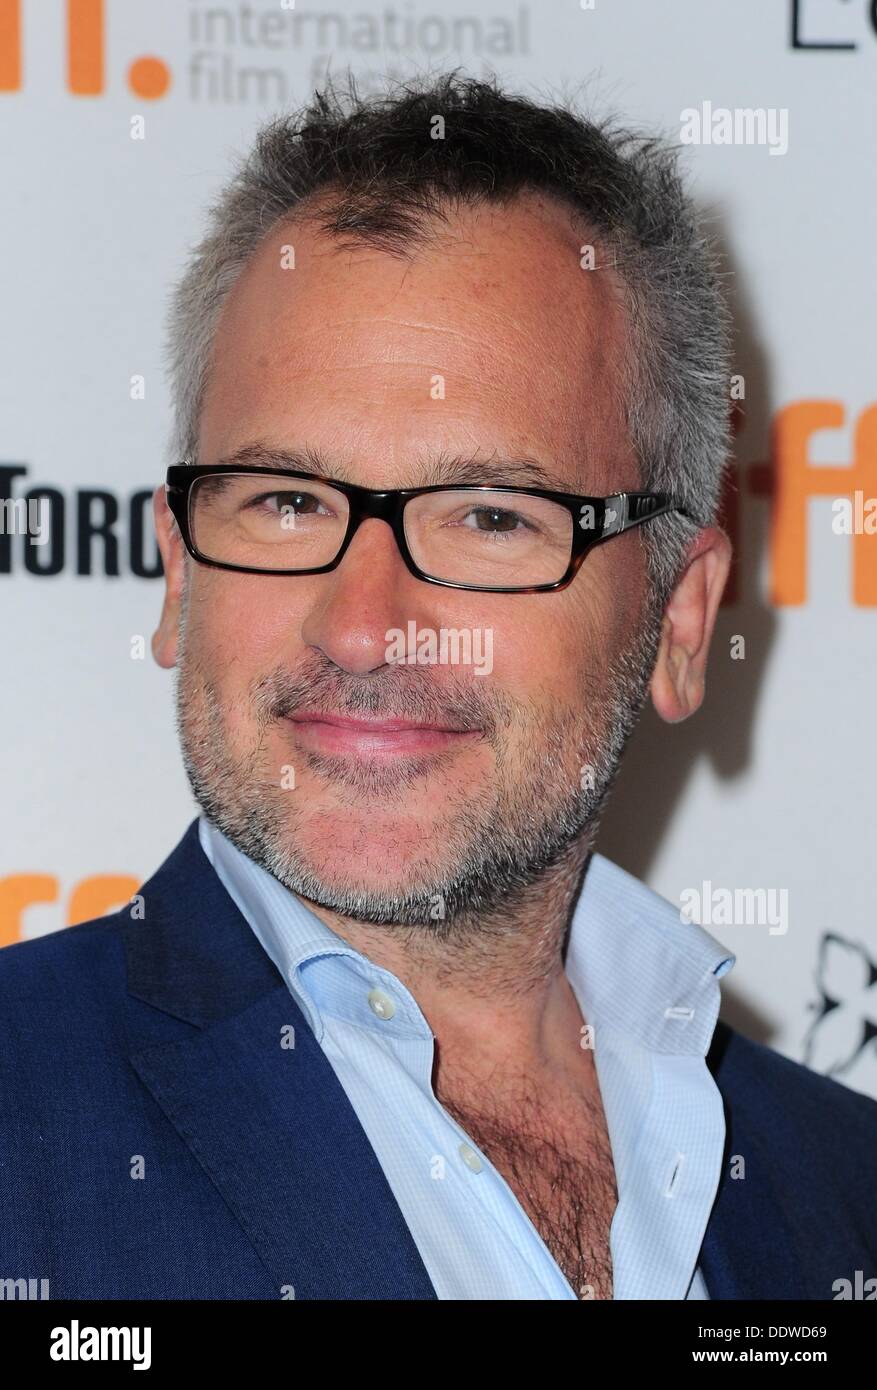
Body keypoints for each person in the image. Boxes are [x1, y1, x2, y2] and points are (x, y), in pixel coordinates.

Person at [1, 71, 874, 1301]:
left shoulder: (845, 1196)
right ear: (177, 571)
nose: (364, 629)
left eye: (487, 516)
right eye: (287, 502)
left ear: (680, 617)